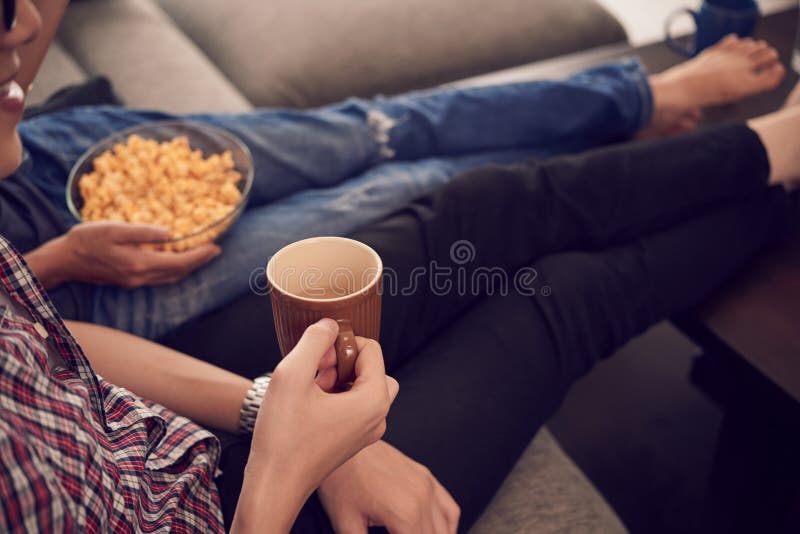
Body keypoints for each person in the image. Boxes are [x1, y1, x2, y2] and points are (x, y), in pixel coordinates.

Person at [2, 0, 786, 339]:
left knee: (377, 127)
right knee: (394, 191)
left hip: (49, 150)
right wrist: (58, 261)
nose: (28, 23)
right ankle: (632, 141)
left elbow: (27, 43)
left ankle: (640, 96)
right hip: (68, 292)